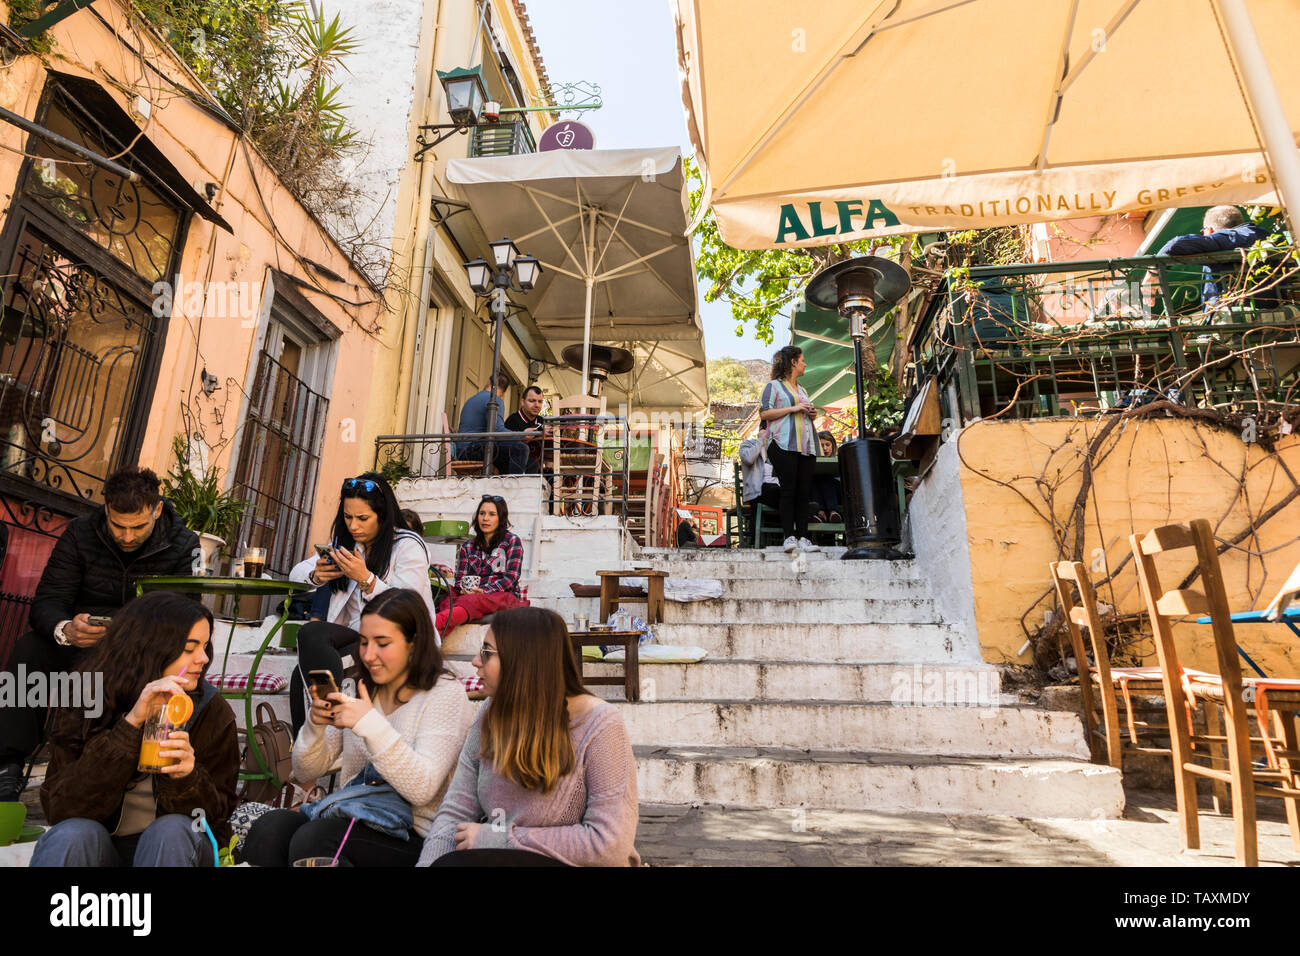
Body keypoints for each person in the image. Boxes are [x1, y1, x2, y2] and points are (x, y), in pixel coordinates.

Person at [0, 467, 199, 801]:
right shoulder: (80, 533)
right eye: (117, 525)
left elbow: (185, 616)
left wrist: (129, 634)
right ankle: (6, 766)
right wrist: (66, 630)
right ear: (106, 509)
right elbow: (48, 601)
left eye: (138, 527)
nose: (126, 536)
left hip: (143, 654)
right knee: (29, 651)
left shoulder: (184, 545)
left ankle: (123, 769)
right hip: (81, 648)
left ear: (157, 510)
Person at [241, 589, 473, 867]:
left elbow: (422, 789)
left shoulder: (444, 694)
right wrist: (315, 726)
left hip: (416, 834)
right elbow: (305, 771)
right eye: (364, 642)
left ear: (414, 643)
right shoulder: (360, 687)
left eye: (382, 643)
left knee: (318, 839)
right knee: (271, 828)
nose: (369, 654)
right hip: (354, 813)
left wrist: (369, 725)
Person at [418, 606, 639, 867]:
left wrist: (499, 838)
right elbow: (455, 812)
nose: (475, 661)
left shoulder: (601, 725)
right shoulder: (491, 713)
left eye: (487, 653)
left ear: (522, 662)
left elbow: (608, 844)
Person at [30, 591, 239, 866]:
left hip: (175, 850)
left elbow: (216, 819)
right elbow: (62, 809)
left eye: (205, 646)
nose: (202, 658)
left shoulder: (211, 711)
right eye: (190, 648)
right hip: (101, 849)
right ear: (149, 648)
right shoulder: (91, 697)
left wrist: (188, 778)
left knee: (171, 830)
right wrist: (130, 726)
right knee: (73, 834)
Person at [286, 474, 437, 734]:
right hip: (357, 635)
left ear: (383, 515)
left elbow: (407, 605)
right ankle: (318, 740)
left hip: (400, 640)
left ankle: (327, 734)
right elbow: (296, 575)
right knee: (307, 648)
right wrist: (316, 576)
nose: (354, 525)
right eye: (347, 517)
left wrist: (366, 579)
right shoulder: (346, 545)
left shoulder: (408, 546)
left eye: (362, 518)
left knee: (304, 667)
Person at [434, 495, 527, 633]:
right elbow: (460, 578)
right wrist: (463, 590)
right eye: (482, 513)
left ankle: (431, 624)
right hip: (471, 596)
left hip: (501, 595)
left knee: (473, 601)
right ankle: (432, 643)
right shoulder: (468, 546)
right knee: (449, 600)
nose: (485, 518)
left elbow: (510, 579)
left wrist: (484, 591)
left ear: (500, 518)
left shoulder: (512, 541)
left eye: (491, 514)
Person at [759, 345, 821, 553]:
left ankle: (804, 537)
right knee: (788, 489)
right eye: (802, 360)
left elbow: (806, 412)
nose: (805, 364)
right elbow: (764, 414)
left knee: (804, 492)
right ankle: (789, 537)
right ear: (793, 362)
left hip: (806, 445)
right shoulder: (774, 386)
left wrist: (812, 413)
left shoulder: (802, 389)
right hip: (782, 444)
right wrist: (794, 408)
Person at [1154, 205, 1272, 309]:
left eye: (1203, 232)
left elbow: (1176, 244)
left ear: (1209, 230)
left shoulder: (1231, 237)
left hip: (1234, 320)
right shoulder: (1266, 236)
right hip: (1276, 310)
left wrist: (1153, 271)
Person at [455, 373, 534, 475]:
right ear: (505, 392)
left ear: (489, 381)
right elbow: (497, 431)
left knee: (528, 462)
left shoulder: (472, 399)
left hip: (465, 450)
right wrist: (522, 435)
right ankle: (513, 486)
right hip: (472, 450)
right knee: (520, 448)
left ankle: (505, 484)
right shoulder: (494, 399)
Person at [504, 384, 547, 472]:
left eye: (540, 401)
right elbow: (506, 449)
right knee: (533, 463)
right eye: (532, 401)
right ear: (522, 402)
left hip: (539, 465)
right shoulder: (512, 420)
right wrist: (523, 437)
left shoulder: (542, 421)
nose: (537, 405)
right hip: (512, 468)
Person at [812, 431, 842, 524]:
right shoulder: (812, 460)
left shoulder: (840, 458)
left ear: (833, 445)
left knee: (826, 475)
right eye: (821, 445)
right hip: (817, 493)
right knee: (814, 477)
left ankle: (831, 512)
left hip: (837, 493)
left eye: (827, 444)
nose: (825, 448)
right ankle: (823, 513)